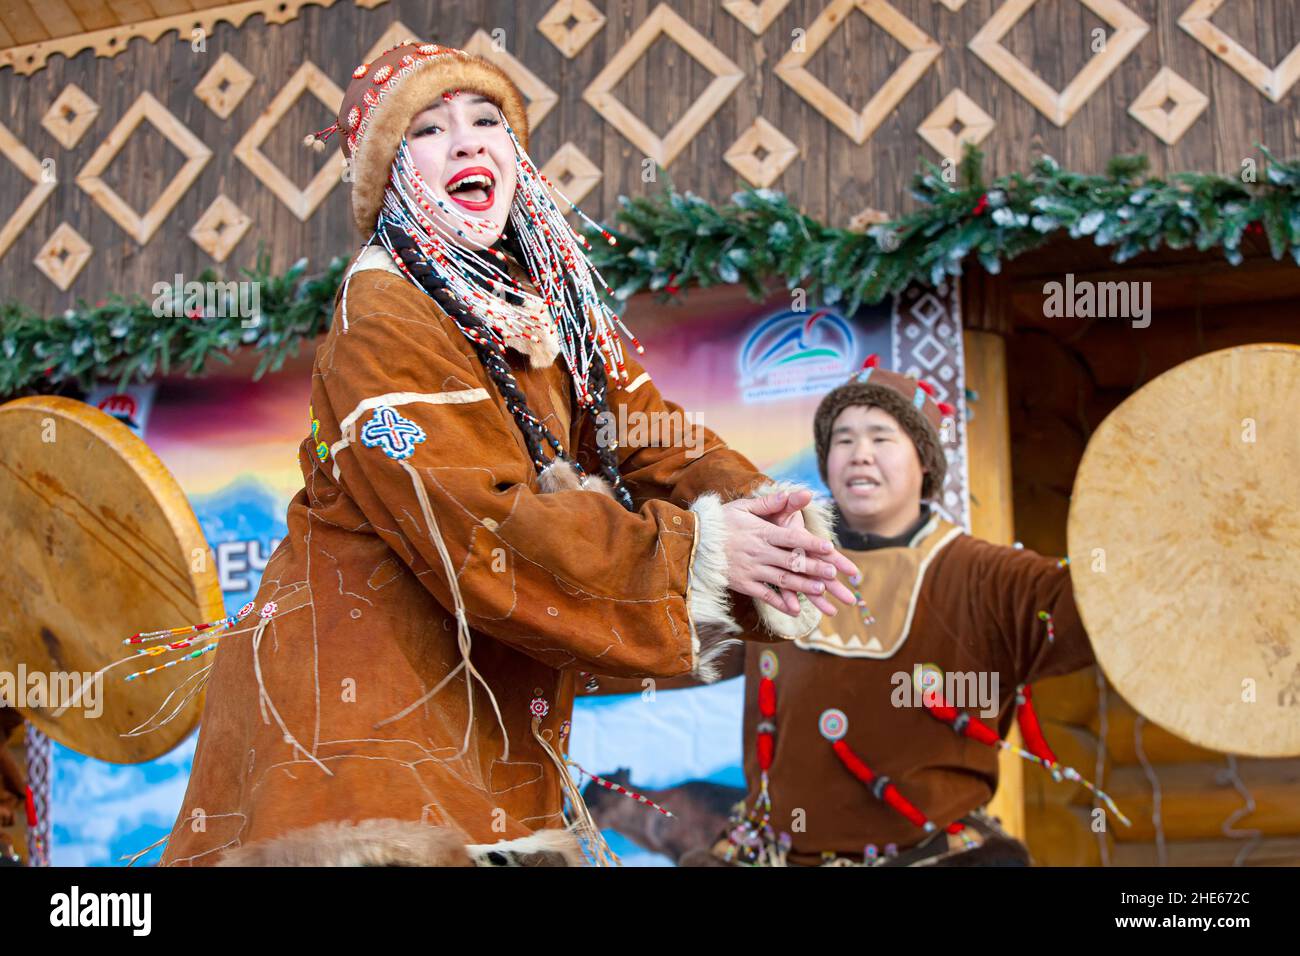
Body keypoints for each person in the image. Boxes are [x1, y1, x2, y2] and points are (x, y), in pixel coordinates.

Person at [150, 40, 858, 867]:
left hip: (483, 725)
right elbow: (473, 524)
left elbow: (646, 430)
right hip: (355, 738)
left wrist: (758, 510)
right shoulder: (382, 311)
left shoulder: (538, 306)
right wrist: (697, 555)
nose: (467, 141)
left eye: (488, 120)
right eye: (426, 130)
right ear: (386, 179)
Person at [682, 357, 1105, 866]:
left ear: (924, 461)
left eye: (882, 438)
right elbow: (673, 642)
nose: (860, 454)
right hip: (776, 855)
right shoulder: (778, 562)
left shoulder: (988, 576)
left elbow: (1095, 611)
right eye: (843, 439)